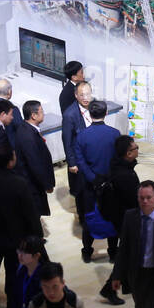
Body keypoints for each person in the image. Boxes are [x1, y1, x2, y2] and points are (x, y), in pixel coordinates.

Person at [0, 141, 42, 302]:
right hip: (15, 237)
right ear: (11, 160)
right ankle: (12, 304)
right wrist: (37, 235)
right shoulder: (20, 183)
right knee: (13, 271)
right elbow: (29, 213)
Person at [76, 98, 120, 264]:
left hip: (90, 186)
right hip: (111, 185)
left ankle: (87, 252)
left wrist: (94, 179)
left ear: (89, 113)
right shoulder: (115, 134)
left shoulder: (81, 136)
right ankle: (113, 253)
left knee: (89, 219)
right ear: (106, 113)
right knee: (112, 218)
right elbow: (117, 160)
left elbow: (81, 162)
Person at [15, 99, 54, 217]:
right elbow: (35, 163)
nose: (44, 114)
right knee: (34, 213)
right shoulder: (28, 136)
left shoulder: (26, 128)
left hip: (32, 183)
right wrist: (46, 184)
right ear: (33, 115)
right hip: (32, 185)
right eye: (41, 111)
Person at [61, 80, 93, 221]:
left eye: (88, 94)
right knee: (81, 190)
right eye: (82, 95)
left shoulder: (94, 106)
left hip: (93, 155)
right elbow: (67, 141)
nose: (85, 98)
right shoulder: (70, 115)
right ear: (75, 95)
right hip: (80, 159)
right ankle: (83, 217)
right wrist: (71, 162)